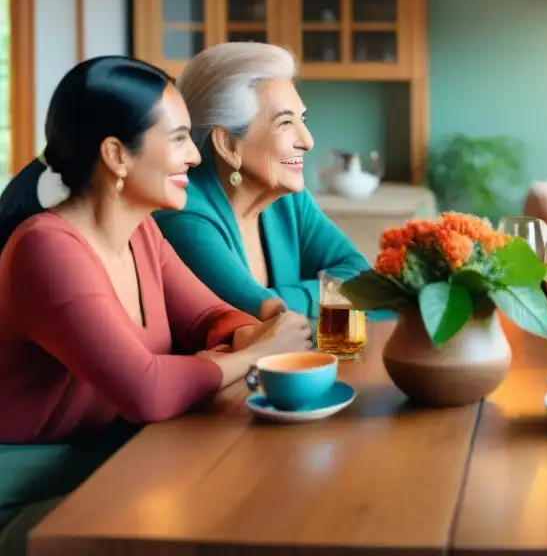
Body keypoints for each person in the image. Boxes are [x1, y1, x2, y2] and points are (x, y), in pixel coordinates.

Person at [0, 56, 313, 556]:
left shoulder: (141, 229)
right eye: (178, 139)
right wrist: (249, 356)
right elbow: (146, 392)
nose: (193, 156)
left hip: (119, 462)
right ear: (116, 156)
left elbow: (209, 316)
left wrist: (241, 337)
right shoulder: (46, 250)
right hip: (31, 492)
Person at [153, 43, 369, 321]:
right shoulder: (184, 214)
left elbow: (360, 276)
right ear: (229, 144)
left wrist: (285, 298)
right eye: (285, 123)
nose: (308, 141)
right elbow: (257, 312)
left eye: (302, 119)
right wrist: (326, 296)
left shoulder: (287, 198)